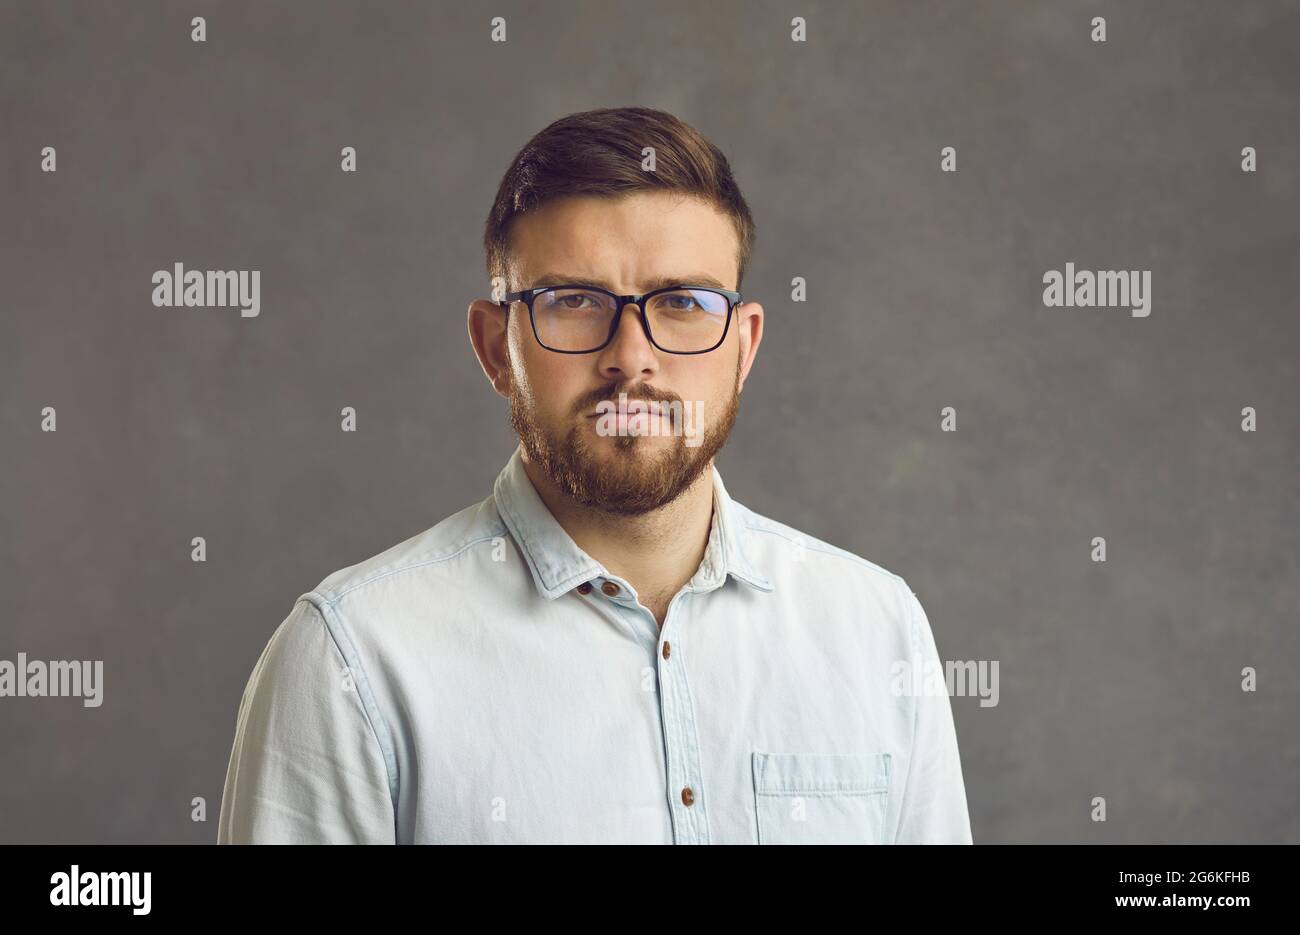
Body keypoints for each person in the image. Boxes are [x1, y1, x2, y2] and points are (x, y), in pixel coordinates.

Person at [217, 106, 973, 844]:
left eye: (682, 302)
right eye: (573, 301)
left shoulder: (879, 631)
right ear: (494, 347)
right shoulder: (351, 660)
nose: (631, 356)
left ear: (743, 348)